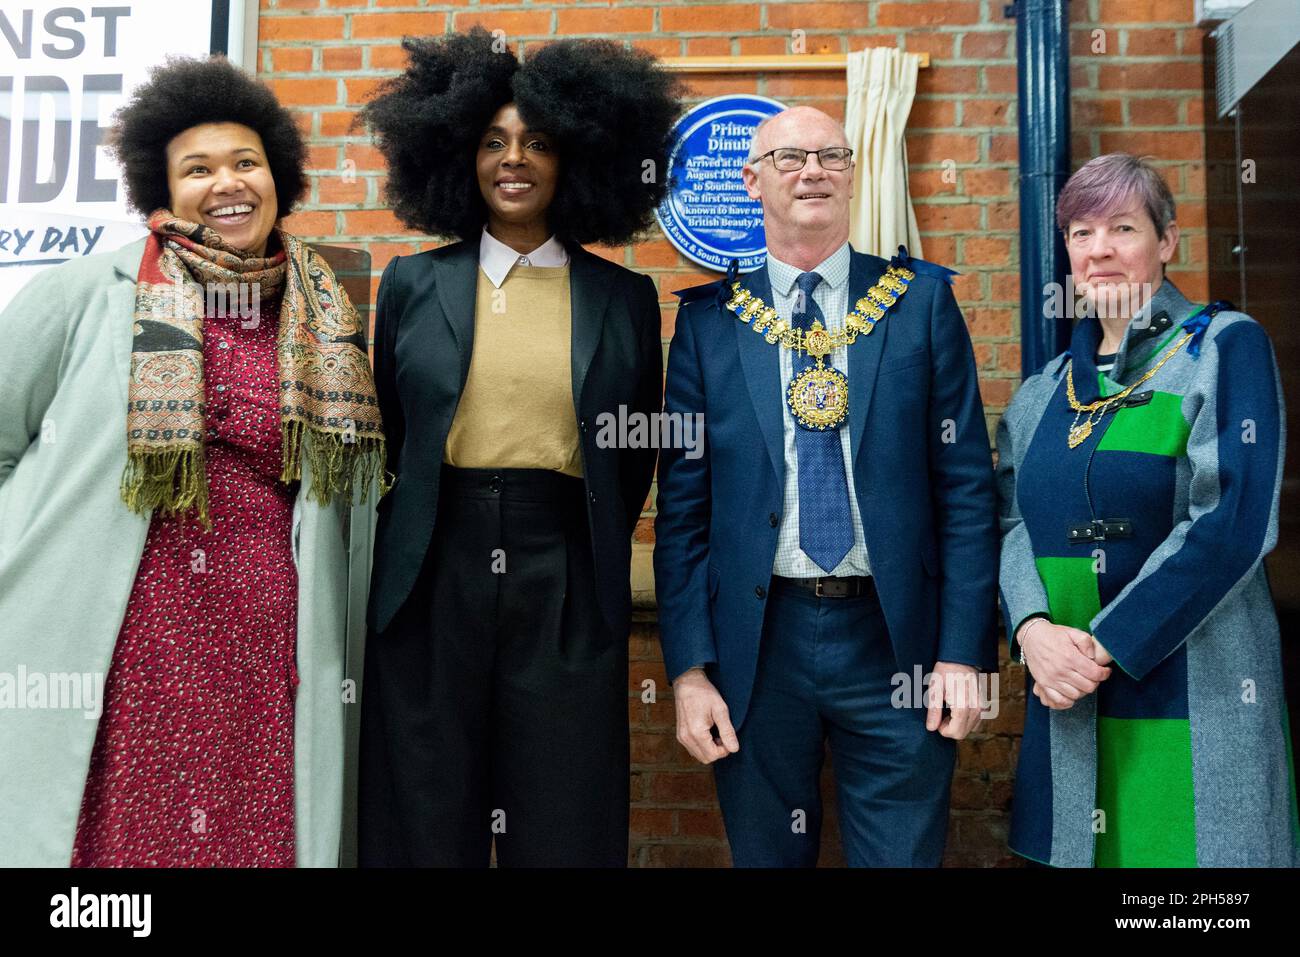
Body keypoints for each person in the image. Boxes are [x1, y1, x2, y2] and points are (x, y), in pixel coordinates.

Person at [0, 56, 384, 866]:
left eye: (246, 162)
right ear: (162, 189)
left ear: (278, 175)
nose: (227, 183)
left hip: (267, 632)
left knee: (257, 823)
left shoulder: (321, 310)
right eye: (197, 168)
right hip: (126, 631)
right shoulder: (87, 290)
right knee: (127, 834)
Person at [357, 28, 681, 867]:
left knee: (564, 807)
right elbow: (395, 429)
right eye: (494, 141)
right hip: (433, 563)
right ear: (459, 156)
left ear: (573, 159)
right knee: (427, 803)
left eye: (537, 143)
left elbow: (632, 448)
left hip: (565, 561)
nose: (515, 160)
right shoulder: (412, 283)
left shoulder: (622, 297)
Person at [654, 106, 998, 867]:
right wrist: (687, 670)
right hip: (757, 643)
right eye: (789, 158)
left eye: (830, 155)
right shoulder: (709, 324)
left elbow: (968, 490)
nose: (813, 170)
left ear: (851, 173)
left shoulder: (919, 304)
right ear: (752, 180)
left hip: (896, 641)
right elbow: (682, 513)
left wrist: (963, 653)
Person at [997, 152, 1297, 867]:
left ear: (1165, 241)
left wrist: (1102, 644)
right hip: (1068, 697)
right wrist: (1033, 630)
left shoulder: (1226, 349)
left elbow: (1233, 524)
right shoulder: (1042, 392)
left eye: (1122, 228)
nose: (1098, 249)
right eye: (1080, 232)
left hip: (1199, 686)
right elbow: (1007, 522)